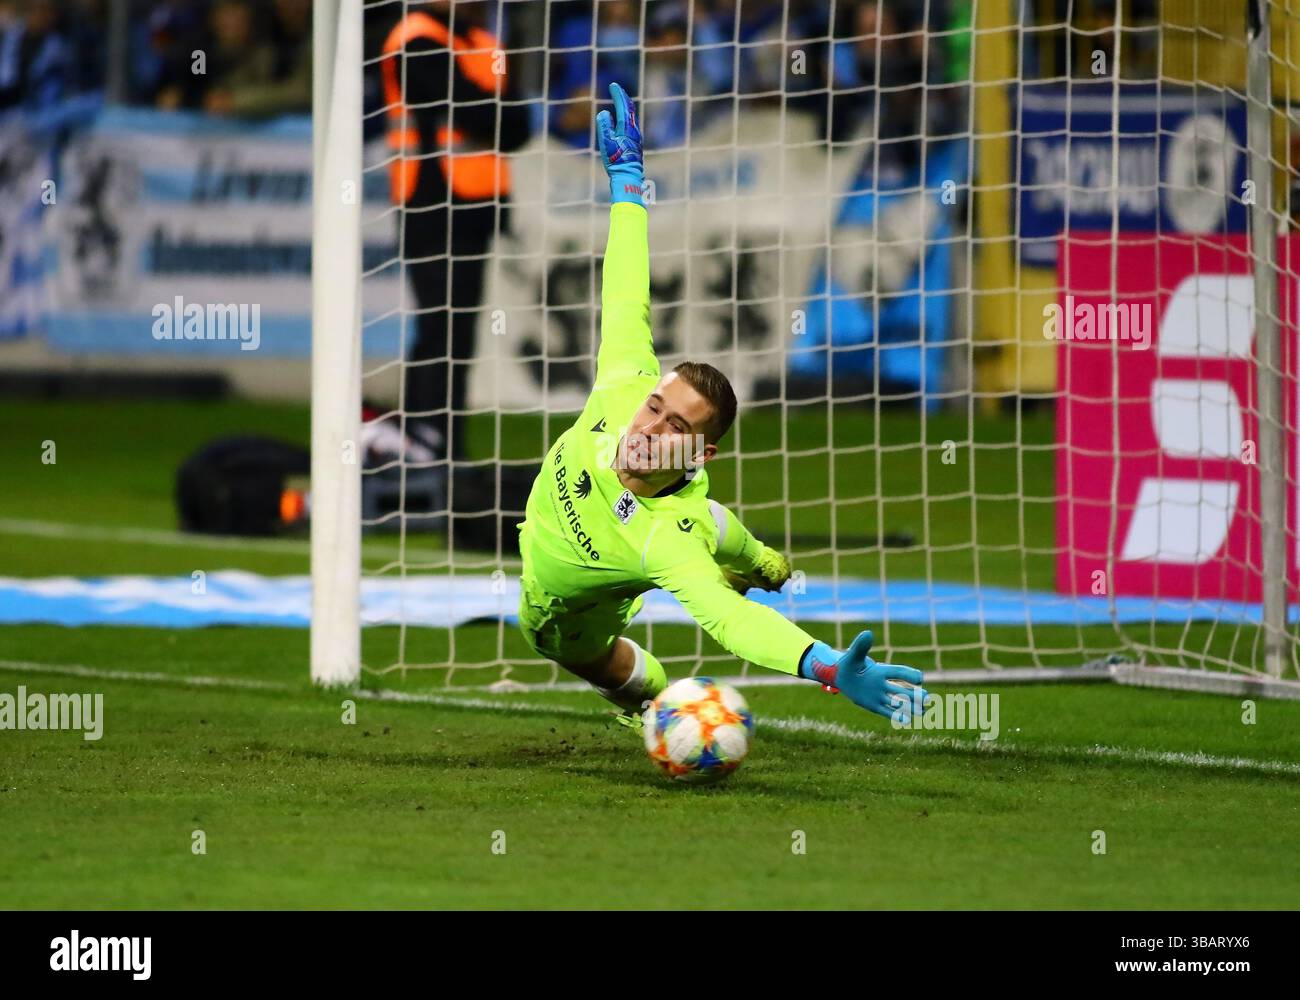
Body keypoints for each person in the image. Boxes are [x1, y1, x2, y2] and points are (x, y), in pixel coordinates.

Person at [516, 82, 928, 725]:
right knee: (713, 523)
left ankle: (656, 698)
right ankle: (762, 559)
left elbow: (734, 623)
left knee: (595, 649)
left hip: (571, 608)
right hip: (666, 514)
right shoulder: (624, 383)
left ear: (699, 450)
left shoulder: (666, 542)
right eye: (656, 407)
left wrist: (822, 664)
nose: (647, 425)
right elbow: (627, 290)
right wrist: (626, 182)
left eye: (674, 425)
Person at [379, 0, 531, 468]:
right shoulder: (415, 38)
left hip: (474, 212)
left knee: (457, 336)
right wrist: (491, 112)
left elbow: (518, 127)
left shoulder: (485, 43)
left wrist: (489, 114)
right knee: (439, 331)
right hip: (429, 205)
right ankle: (426, 442)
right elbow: (474, 111)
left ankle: (443, 446)